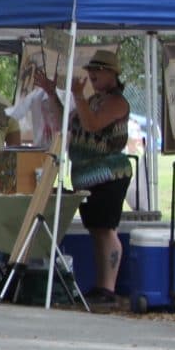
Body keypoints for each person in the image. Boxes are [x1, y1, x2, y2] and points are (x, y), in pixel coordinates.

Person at [67, 47, 133, 306]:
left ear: (112, 74)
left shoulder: (117, 102)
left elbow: (93, 124)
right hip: (87, 175)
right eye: (91, 69)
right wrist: (53, 95)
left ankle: (108, 287)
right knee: (95, 229)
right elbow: (72, 120)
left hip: (108, 175)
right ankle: (101, 285)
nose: (92, 74)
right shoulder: (93, 100)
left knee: (106, 229)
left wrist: (78, 96)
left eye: (99, 70)